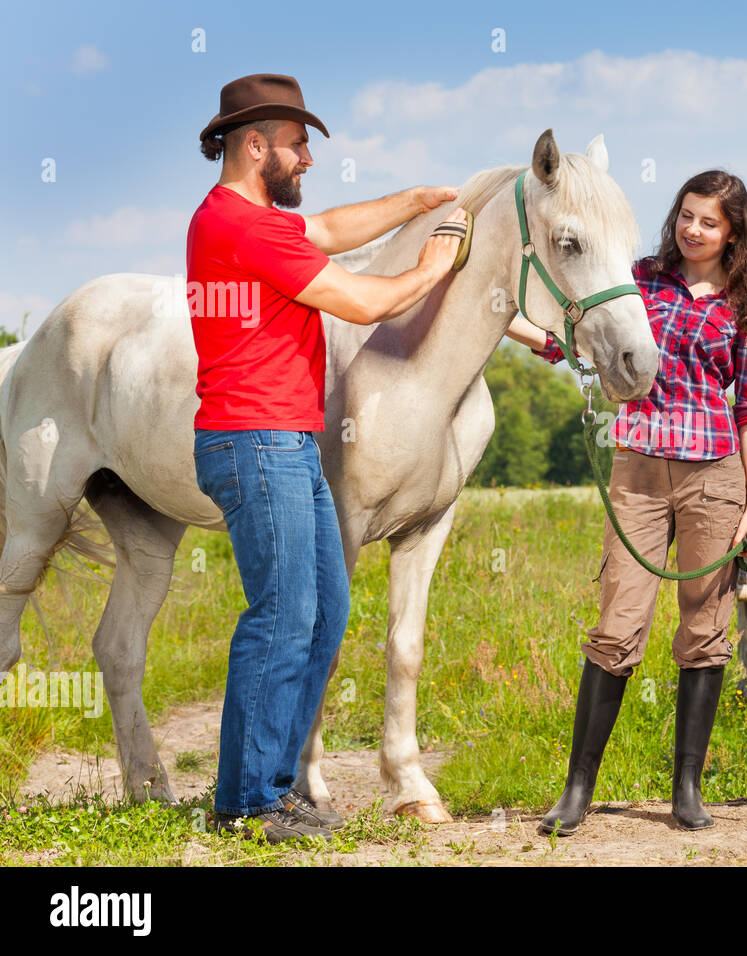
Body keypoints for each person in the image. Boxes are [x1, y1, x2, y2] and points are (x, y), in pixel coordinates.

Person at [188, 73, 468, 843]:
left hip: (287, 441)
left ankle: (273, 788)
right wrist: (434, 267)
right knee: (282, 617)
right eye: (298, 143)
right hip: (256, 442)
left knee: (325, 612)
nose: (307, 158)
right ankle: (246, 802)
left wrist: (412, 203)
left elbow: (336, 227)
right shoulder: (244, 227)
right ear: (256, 145)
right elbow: (366, 301)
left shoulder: (248, 219)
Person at [506, 170, 747, 834]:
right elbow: (577, 329)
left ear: (732, 232)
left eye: (709, 222)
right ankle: (577, 791)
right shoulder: (639, 279)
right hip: (638, 470)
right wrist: (512, 323)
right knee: (617, 625)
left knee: (704, 633)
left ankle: (686, 787)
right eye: (686, 215)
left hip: (716, 476)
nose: (693, 229)